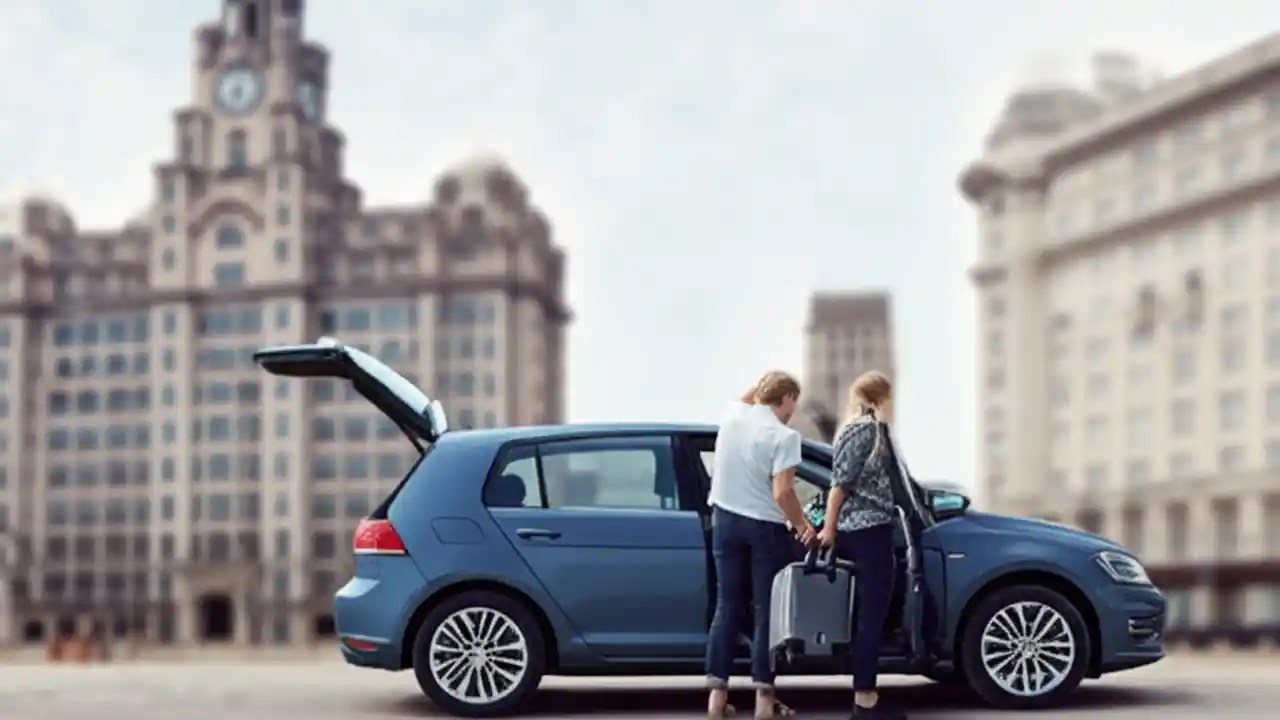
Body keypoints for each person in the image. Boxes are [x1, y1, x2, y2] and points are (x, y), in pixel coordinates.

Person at [706, 371, 820, 720]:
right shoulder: (784, 437)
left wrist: (766, 382)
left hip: (724, 522)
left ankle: (715, 699)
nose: (792, 411)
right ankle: (764, 702)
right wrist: (804, 527)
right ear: (785, 398)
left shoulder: (733, 415)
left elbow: (749, 396)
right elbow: (783, 493)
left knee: (727, 607)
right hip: (763, 528)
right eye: (792, 402)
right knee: (764, 614)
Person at [818, 370, 906, 719]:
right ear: (881, 398)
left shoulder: (853, 428)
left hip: (862, 529)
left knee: (870, 614)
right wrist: (829, 528)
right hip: (867, 531)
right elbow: (840, 484)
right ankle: (865, 700)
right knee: (871, 615)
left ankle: (866, 694)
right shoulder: (866, 429)